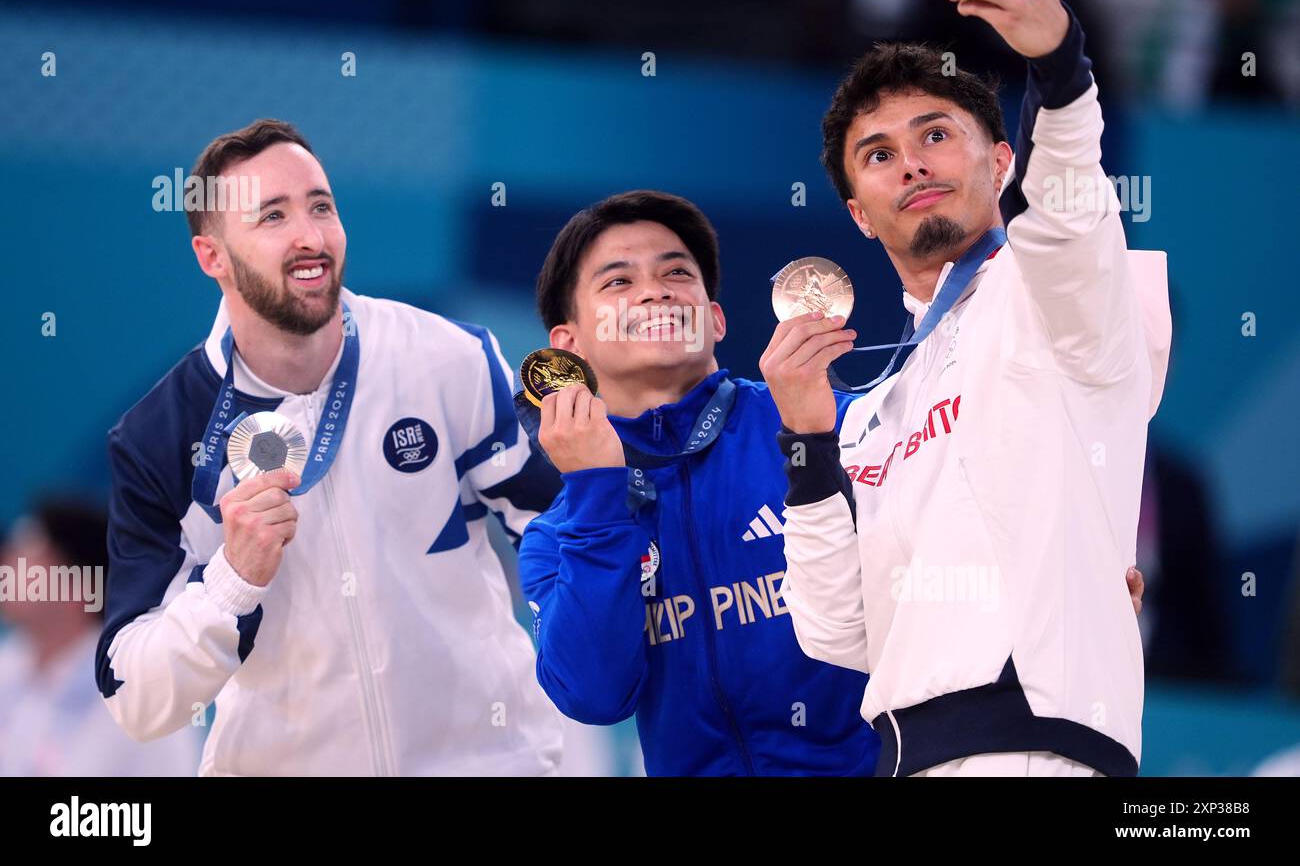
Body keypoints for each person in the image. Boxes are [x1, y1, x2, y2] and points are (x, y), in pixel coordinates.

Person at [761, 0, 1170, 776]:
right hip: (907, 757)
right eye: (879, 156)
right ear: (859, 215)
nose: (910, 163)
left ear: (1003, 158)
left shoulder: (1055, 295)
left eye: (937, 134)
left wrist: (1059, 63)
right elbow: (840, 632)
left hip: (1036, 745)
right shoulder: (871, 408)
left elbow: (1068, 210)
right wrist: (807, 446)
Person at [96, 119, 563, 775]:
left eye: (321, 206)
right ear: (213, 257)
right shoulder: (162, 437)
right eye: (273, 217)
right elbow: (136, 700)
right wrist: (231, 585)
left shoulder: (447, 359)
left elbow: (558, 538)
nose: (310, 237)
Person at [516, 191, 879, 776]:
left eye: (677, 272)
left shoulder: (828, 423)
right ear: (569, 346)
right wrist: (596, 492)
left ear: (714, 318)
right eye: (617, 283)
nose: (656, 290)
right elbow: (595, 695)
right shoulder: (561, 531)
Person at [0, 498, 198, 776]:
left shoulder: (139, 687)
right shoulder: (9, 664)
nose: (8, 560)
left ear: (78, 581)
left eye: (30, 546)